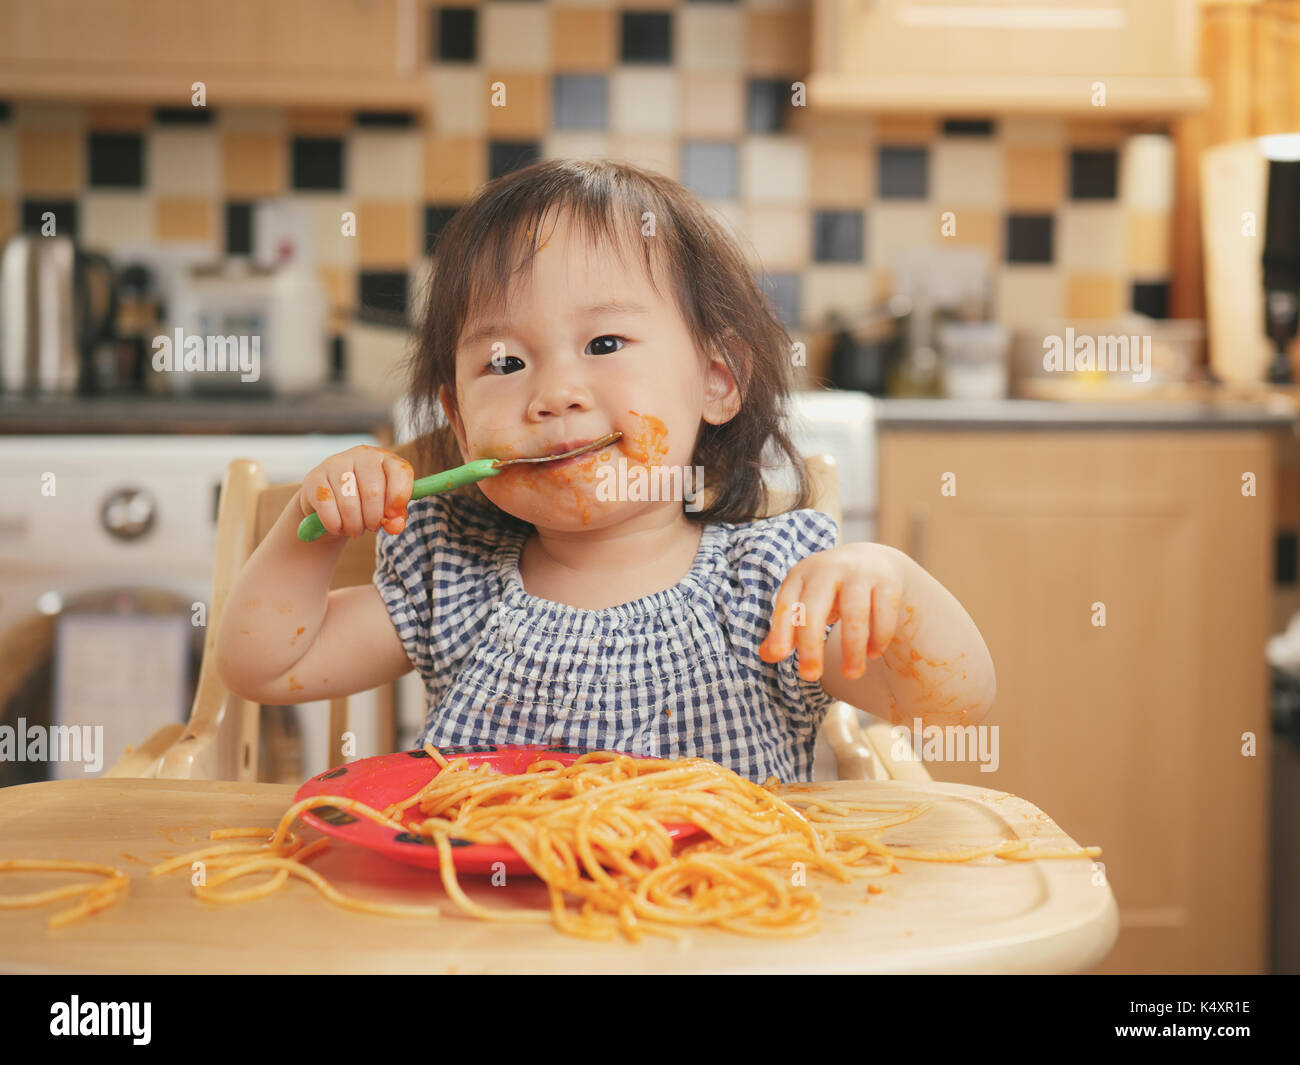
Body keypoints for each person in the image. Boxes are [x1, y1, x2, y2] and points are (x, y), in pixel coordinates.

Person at [216, 159, 995, 783]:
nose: (553, 393)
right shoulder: (453, 579)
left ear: (717, 381)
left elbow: (949, 710)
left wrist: (890, 578)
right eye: (506, 362)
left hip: (718, 931)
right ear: (457, 424)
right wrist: (313, 528)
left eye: (604, 344)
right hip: (486, 929)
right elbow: (266, 665)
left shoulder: (771, 588)